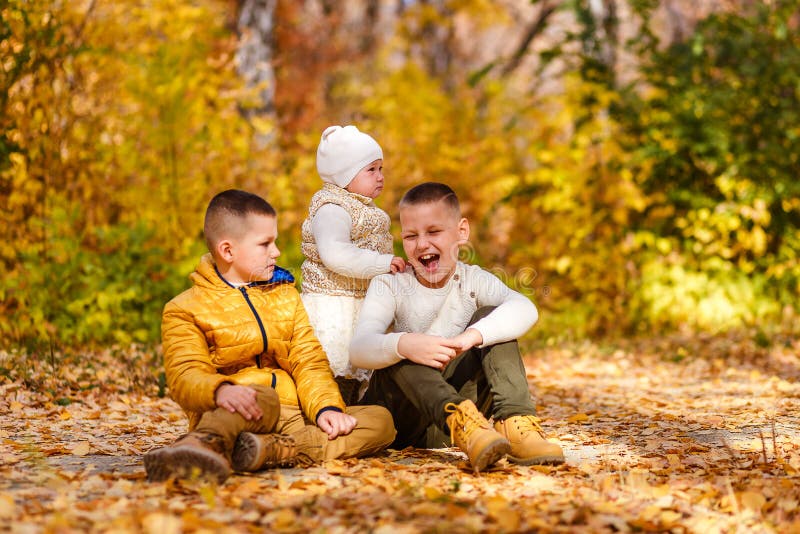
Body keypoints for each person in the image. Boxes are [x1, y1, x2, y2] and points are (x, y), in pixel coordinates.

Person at [144, 189, 395, 484]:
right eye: (265, 244)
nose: (276, 252)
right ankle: (201, 444)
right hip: (236, 412)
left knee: (381, 421)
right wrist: (221, 390)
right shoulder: (184, 308)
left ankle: (265, 451)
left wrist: (327, 407)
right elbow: (185, 376)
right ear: (228, 251)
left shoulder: (284, 294)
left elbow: (308, 360)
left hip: (293, 416)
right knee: (263, 395)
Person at [350, 182, 564, 474]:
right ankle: (461, 421)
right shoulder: (390, 284)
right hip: (405, 419)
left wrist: (472, 337)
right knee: (398, 350)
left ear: (462, 232)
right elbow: (359, 348)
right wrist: (404, 344)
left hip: (458, 428)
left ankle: (516, 426)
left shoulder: (474, 280)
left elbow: (526, 308)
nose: (422, 244)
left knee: (494, 318)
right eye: (411, 236)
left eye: (434, 232)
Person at [300, 125, 405, 405]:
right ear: (344, 173)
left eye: (381, 169)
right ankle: (334, 411)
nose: (380, 177)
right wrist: (383, 264)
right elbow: (335, 253)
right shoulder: (331, 207)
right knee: (339, 364)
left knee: (362, 371)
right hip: (335, 302)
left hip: (362, 300)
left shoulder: (365, 208)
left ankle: (360, 417)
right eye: (371, 170)